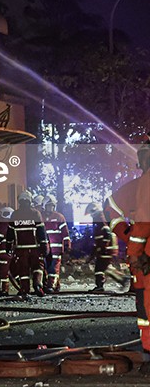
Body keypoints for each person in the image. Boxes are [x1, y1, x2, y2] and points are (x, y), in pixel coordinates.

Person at [105, 139, 150, 374]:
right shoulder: (136, 187)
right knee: (145, 307)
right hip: (145, 260)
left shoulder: (142, 184)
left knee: (147, 309)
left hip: (143, 258)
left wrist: (132, 244)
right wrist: (128, 235)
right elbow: (112, 208)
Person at [6, 190, 47, 297]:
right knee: (38, 267)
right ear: (30, 201)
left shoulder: (15, 214)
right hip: (35, 248)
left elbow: (10, 233)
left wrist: (8, 246)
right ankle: (37, 285)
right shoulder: (35, 214)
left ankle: (25, 289)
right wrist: (44, 247)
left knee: (23, 270)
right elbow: (41, 232)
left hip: (20, 249)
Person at [88, 201, 121, 292]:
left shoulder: (100, 220)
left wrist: (102, 247)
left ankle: (99, 286)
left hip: (105, 250)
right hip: (106, 249)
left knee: (99, 268)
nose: (91, 215)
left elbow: (106, 234)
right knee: (105, 267)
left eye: (91, 213)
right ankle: (122, 279)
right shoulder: (99, 220)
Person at [41, 195, 70, 293]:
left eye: (52, 206)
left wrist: (67, 245)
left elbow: (65, 233)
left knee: (54, 268)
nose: (51, 208)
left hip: (56, 249)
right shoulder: (41, 217)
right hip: (46, 249)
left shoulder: (59, 217)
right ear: (44, 206)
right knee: (47, 268)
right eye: (49, 206)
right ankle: (55, 286)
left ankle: (50, 287)